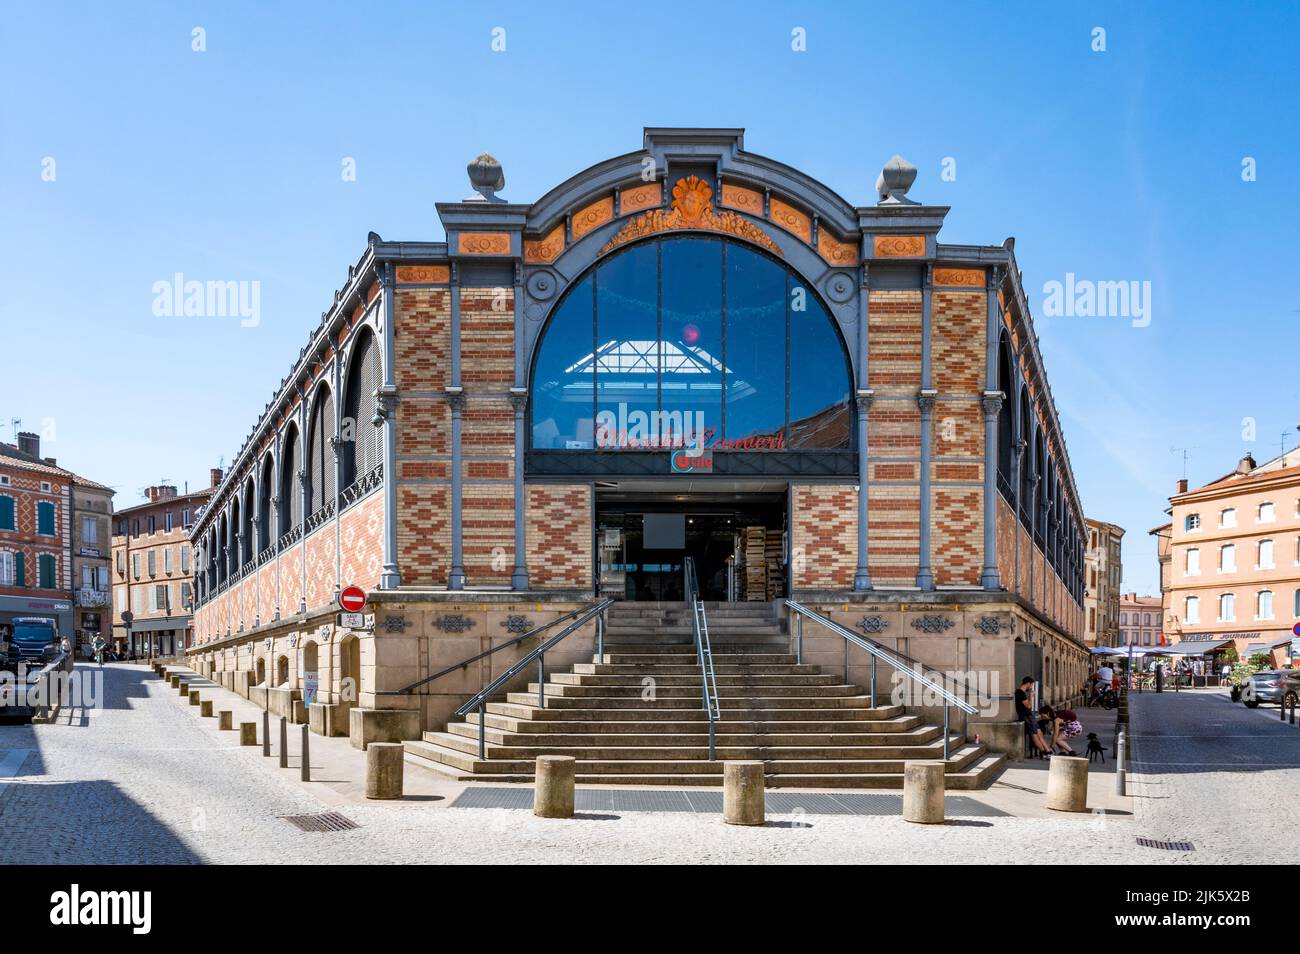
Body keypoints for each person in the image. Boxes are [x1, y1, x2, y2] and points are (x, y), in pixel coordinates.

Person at [1016, 676, 1051, 756]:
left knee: (1039, 732)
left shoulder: (1023, 693)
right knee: (1034, 734)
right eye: (1031, 685)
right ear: (1028, 683)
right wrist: (1031, 697)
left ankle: (1047, 750)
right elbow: (1028, 706)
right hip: (1025, 716)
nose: (1031, 687)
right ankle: (1044, 752)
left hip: (1029, 715)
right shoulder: (1020, 693)